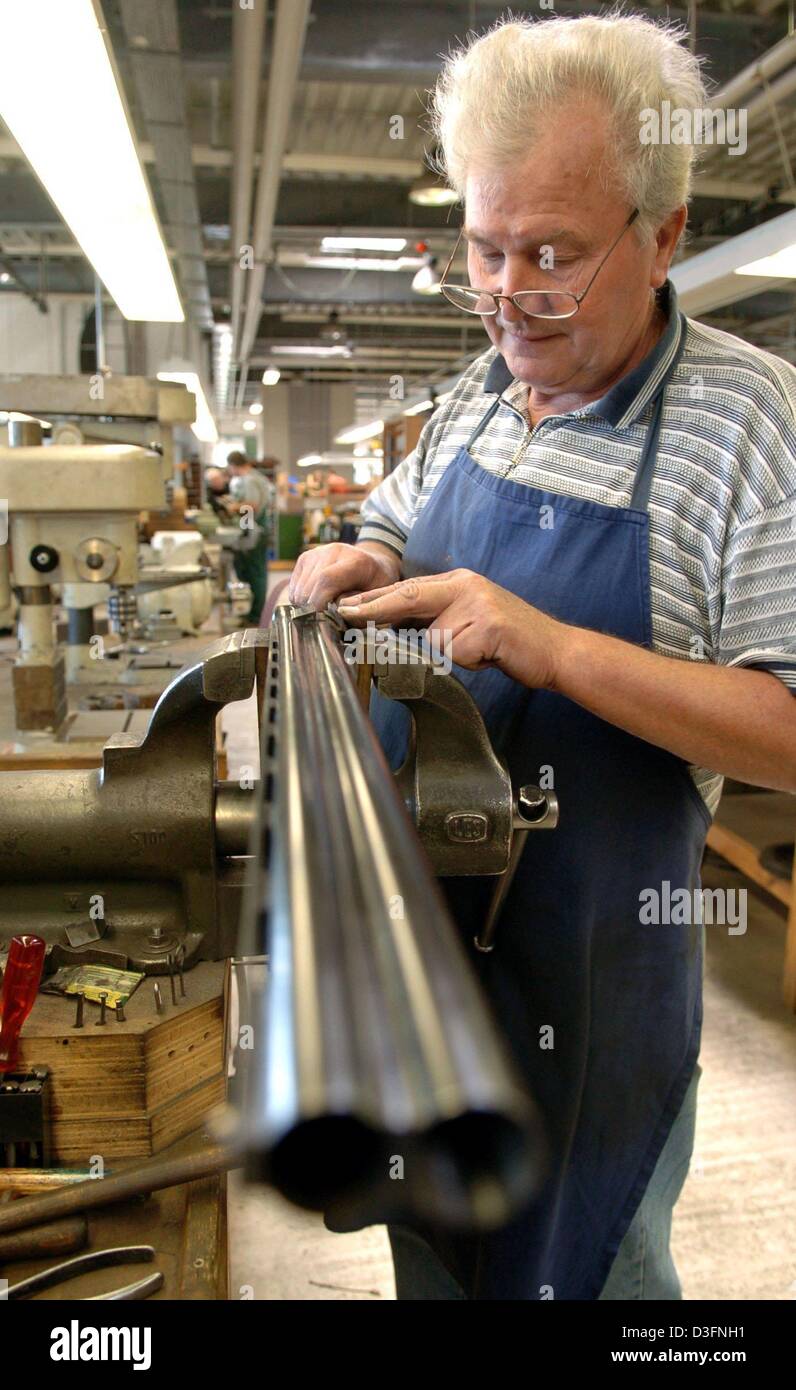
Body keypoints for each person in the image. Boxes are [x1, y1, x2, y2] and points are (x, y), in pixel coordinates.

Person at [288, 13, 796, 1300]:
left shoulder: (746, 425)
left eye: (553, 255)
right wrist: (354, 560)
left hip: (595, 991)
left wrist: (554, 644)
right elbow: (392, 533)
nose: (508, 293)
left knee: (592, 1275)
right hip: (430, 975)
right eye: (483, 248)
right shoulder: (477, 389)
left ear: (665, 232)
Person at [226, 450, 274, 625]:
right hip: (254, 528)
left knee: (255, 573)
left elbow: (251, 506)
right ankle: (253, 612)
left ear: (233, 465)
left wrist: (233, 507)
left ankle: (256, 615)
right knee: (252, 571)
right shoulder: (257, 477)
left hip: (255, 531)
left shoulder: (250, 480)